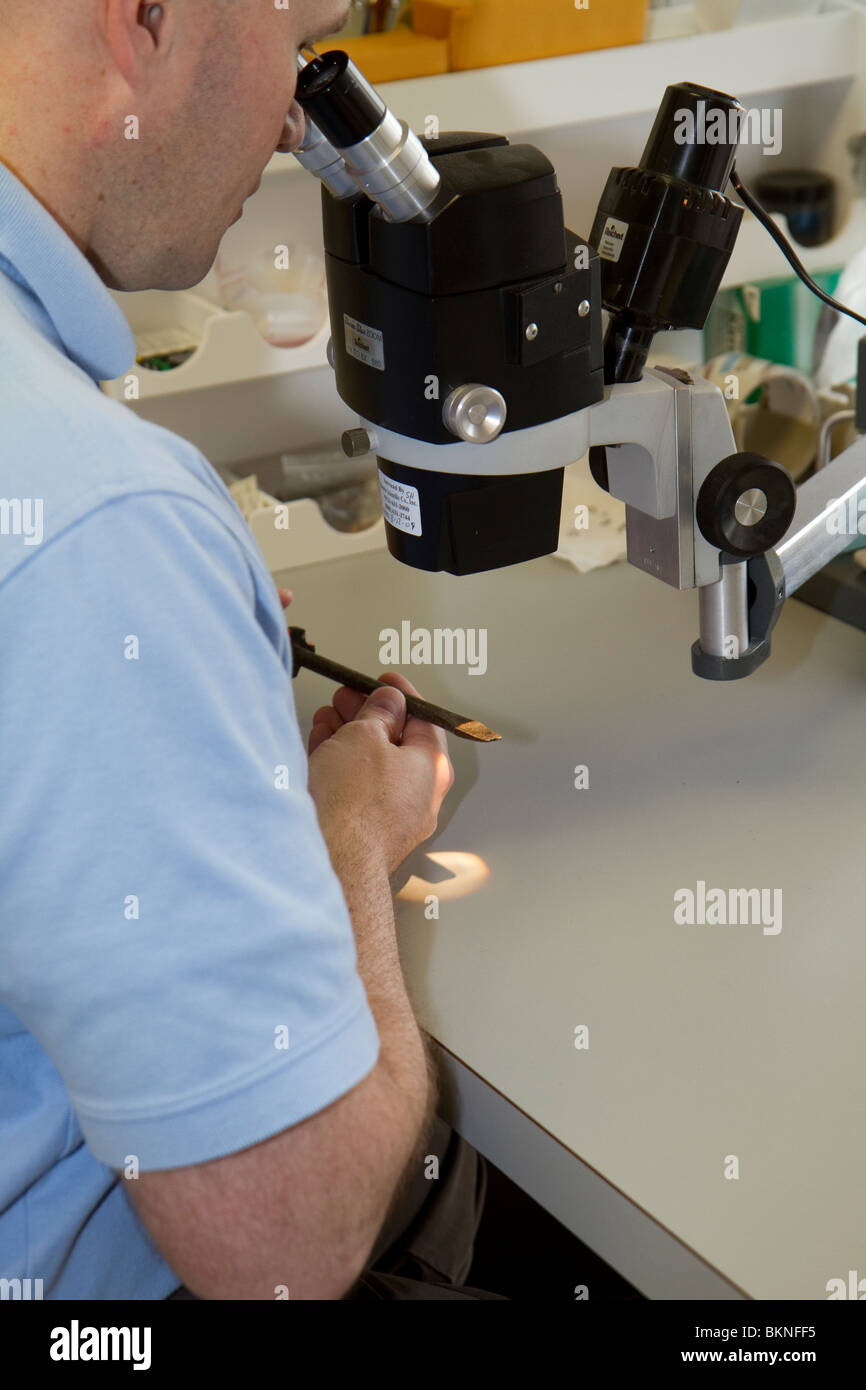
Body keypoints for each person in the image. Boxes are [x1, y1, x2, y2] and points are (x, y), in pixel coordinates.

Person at [0, 0, 502, 1300]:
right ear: (145, 18)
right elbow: (288, 1243)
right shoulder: (98, 519)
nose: (296, 115)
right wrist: (348, 840)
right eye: (301, 35)